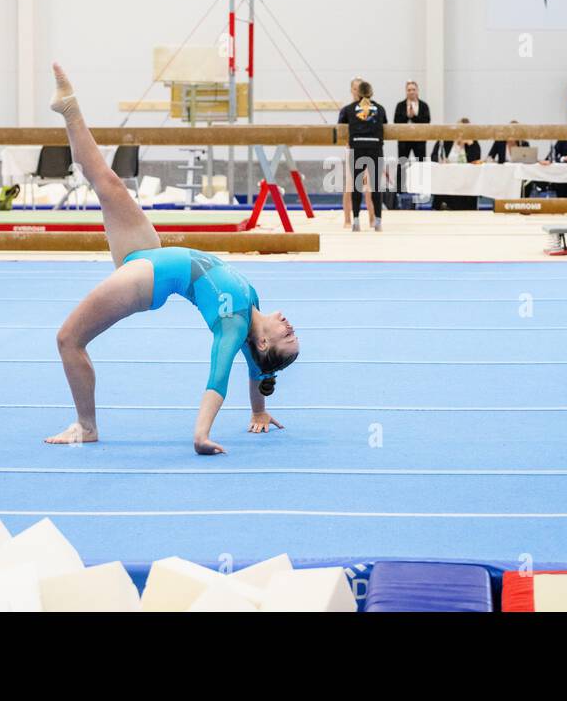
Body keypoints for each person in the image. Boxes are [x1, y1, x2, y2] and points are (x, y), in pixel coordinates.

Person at [43, 64, 298, 455]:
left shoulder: (233, 326)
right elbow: (257, 367)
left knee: (68, 339)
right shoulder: (253, 306)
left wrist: (201, 435)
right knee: (107, 182)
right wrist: (259, 411)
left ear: (265, 340)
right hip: (150, 254)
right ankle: (71, 107)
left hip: (146, 280)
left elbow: (218, 379)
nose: (290, 326)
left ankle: (86, 425)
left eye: (288, 336)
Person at [338, 80, 388, 231]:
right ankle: (378, 221)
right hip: (375, 147)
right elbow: (384, 125)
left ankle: (356, 220)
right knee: (375, 187)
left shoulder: (349, 109)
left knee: (356, 186)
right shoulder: (379, 108)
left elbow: (340, 127)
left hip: (357, 146)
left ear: (357, 93)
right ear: (371, 93)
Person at [392, 80, 431, 205]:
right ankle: (400, 190)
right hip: (404, 139)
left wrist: (413, 116)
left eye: (413, 89)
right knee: (402, 163)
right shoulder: (400, 105)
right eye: (409, 90)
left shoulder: (423, 105)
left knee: (421, 164)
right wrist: (407, 116)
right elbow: (396, 121)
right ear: (406, 91)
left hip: (419, 139)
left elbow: (426, 121)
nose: (411, 92)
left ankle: (422, 189)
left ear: (417, 91)